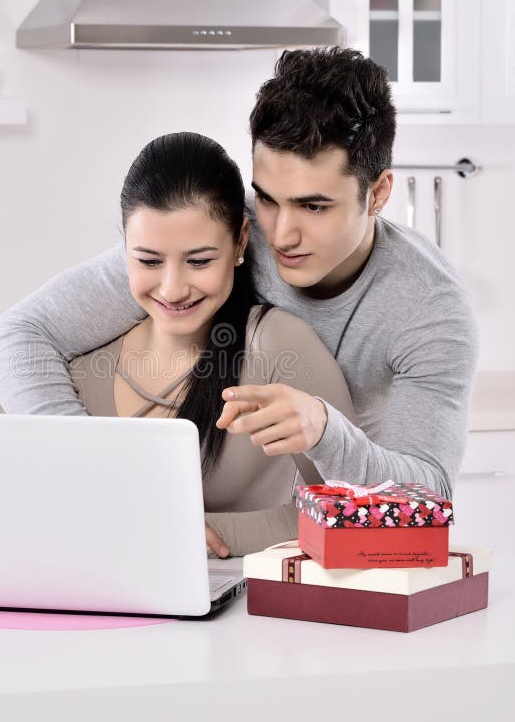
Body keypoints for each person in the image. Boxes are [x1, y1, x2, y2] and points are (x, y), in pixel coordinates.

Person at [0, 47, 477, 532]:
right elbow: (16, 338)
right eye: (267, 199)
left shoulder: (429, 310)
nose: (280, 234)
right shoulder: (227, 234)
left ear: (379, 193)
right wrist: (89, 461)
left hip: (358, 540)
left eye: (314, 207)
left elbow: (426, 501)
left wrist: (325, 430)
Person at [65, 131, 355, 557]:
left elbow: (354, 511)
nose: (173, 288)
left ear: (239, 242)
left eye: (199, 261)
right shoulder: (80, 368)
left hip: (249, 613)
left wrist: (176, 533)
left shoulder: (276, 347)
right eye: (148, 260)